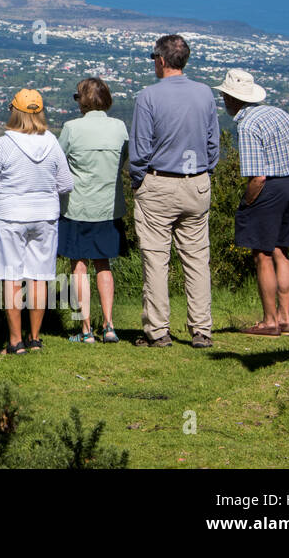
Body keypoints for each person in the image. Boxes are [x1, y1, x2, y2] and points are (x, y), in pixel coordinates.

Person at [129, 34, 219, 349]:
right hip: (196, 182)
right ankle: (201, 330)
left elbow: (139, 149)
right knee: (197, 258)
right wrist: (204, 173)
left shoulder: (147, 97)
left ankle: (157, 331)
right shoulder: (205, 94)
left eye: (154, 57)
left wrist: (138, 181)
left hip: (158, 182)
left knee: (156, 259)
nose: (154, 62)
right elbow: (212, 144)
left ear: (163, 60)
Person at [0, 88, 74, 355]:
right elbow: (66, 184)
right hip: (44, 217)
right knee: (39, 278)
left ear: (14, 111)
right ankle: (36, 338)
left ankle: (15, 341)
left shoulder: (3, 144)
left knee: (11, 278)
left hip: (9, 217)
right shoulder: (52, 142)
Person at [213, 69, 289, 336]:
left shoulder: (248, 125)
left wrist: (247, 202)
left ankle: (269, 322)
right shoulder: (280, 113)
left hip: (270, 188)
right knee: (282, 251)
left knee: (262, 254)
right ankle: (285, 318)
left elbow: (258, 176)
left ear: (232, 99)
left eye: (224, 96)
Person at [58, 77, 129, 344]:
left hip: (77, 206)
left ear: (83, 101)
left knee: (78, 266)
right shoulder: (119, 127)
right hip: (109, 207)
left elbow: (58, 161)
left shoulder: (71, 128)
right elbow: (123, 159)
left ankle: (85, 329)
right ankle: (109, 325)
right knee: (104, 265)